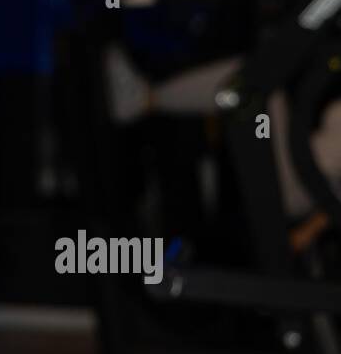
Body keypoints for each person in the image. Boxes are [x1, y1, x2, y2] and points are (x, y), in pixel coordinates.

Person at [103, 42, 341, 222]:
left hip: (296, 184)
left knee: (257, 84)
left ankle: (142, 99)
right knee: (258, 78)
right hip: (303, 173)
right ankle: (147, 98)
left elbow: (322, 165)